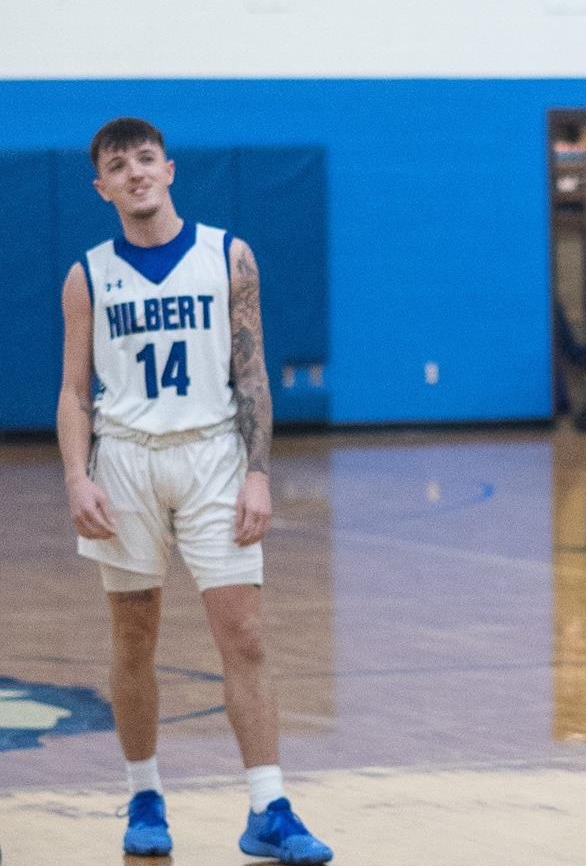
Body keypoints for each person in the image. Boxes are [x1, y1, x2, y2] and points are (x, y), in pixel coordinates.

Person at [57, 118, 332, 864]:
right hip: (127, 463)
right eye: (119, 166)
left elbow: (252, 372)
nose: (136, 173)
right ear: (102, 186)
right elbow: (75, 391)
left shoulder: (228, 255)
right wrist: (78, 476)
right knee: (134, 636)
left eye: (146, 159)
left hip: (213, 455)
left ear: (169, 170)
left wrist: (258, 472)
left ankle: (269, 807)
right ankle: (144, 792)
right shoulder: (88, 274)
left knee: (243, 635)